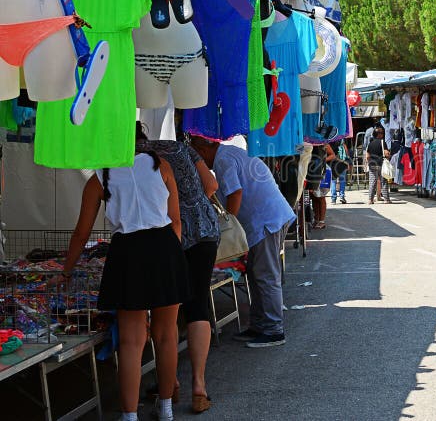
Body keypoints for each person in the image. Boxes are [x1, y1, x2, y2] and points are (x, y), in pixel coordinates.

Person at [62, 137, 190, 421]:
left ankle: (129, 415)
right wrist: (169, 259)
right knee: (167, 334)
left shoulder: (99, 178)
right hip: (165, 247)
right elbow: (177, 220)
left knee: (131, 341)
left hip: (127, 253)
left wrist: (66, 269)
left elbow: (81, 234)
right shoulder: (162, 166)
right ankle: (166, 408)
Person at [190, 137, 296, 348]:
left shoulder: (223, 159)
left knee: (265, 276)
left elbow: (235, 193)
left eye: (198, 157)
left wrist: (230, 225)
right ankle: (259, 325)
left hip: (266, 220)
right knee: (258, 275)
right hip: (267, 219)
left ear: (202, 149)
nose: (199, 163)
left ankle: (273, 330)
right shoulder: (228, 154)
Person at [142, 126, 219, 414]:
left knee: (165, 308)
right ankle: (199, 386)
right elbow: (211, 186)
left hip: (165, 234)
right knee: (198, 304)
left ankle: (170, 382)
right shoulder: (181, 149)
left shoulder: (137, 156)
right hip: (203, 230)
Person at [310, 144, 335, 229]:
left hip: (323, 171)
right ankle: (316, 218)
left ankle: (321, 221)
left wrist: (323, 160)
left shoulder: (323, 143)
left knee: (321, 197)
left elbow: (332, 155)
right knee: (313, 196)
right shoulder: (307, 141)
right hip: (311, 171)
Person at [366, 126, 391, 204]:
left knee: (372, 182)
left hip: (372, 164)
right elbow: (386, 153)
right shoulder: (382, 142)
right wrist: (389, 155)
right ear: (379, 134)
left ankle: (370, 200)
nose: (383, 134)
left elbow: (367, 156)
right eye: (382, 133)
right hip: (381, 164)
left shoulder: (370, 143)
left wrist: (370, 162)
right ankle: (386, 199)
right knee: (384, 181)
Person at [331, 140, 350, 204]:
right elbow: (347, 154)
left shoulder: (331, 142)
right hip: (343, 164)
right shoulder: (343, 143)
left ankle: (333, 198)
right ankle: (342, 197)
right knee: (342, 181)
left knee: (333, 181)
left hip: (333, 164)